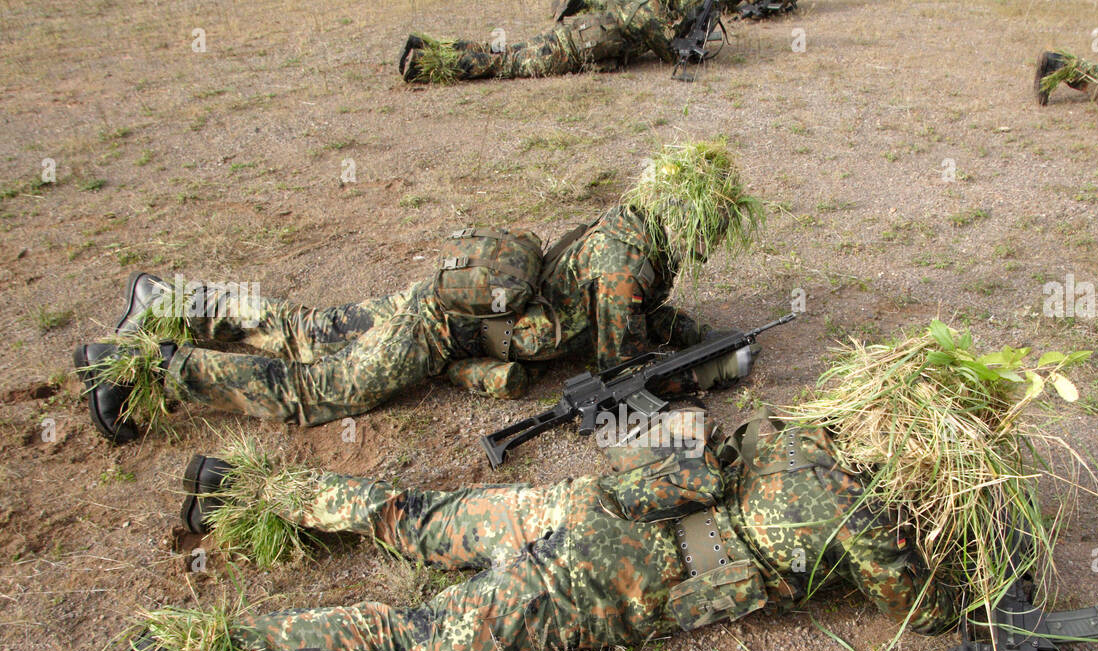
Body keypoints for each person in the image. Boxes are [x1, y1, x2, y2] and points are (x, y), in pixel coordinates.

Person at [86, 405, 958, 651]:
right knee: (417, 641)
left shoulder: (790, 430)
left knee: (415, 519)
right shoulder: (857, 515)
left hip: (584, 503)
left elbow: (708, 451)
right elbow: (921, 607)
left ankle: (232, 487)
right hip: (607, 575)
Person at [73, 140, 763, 443]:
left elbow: (644, 319)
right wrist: (705, 374)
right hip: (442, 327)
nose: (714, 238)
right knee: (323, 391)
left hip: (447, 306)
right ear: (690, 217)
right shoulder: (626, 263)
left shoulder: (634, 231)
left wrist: (702, 335)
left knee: (310, 330)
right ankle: (149, 372)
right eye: (714, 225)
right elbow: (622, 364)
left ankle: (172, 301)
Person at [398, 0, 799, 84]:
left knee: (504, 51)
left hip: (578, 37)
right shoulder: (646, 11)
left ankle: (435, 47)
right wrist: (684, 42)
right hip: (573, 48)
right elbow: (664, 48)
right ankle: (427, 64)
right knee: (504, 63)